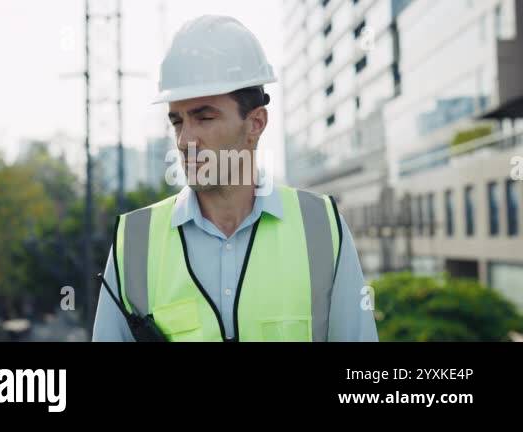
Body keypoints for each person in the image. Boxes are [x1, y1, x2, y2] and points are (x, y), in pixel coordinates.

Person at [92, 15, 378, 342]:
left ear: (255, 123)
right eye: (177, 121)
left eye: (204, 117)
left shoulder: (323, 227)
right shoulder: (134, 242)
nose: (185, 139)